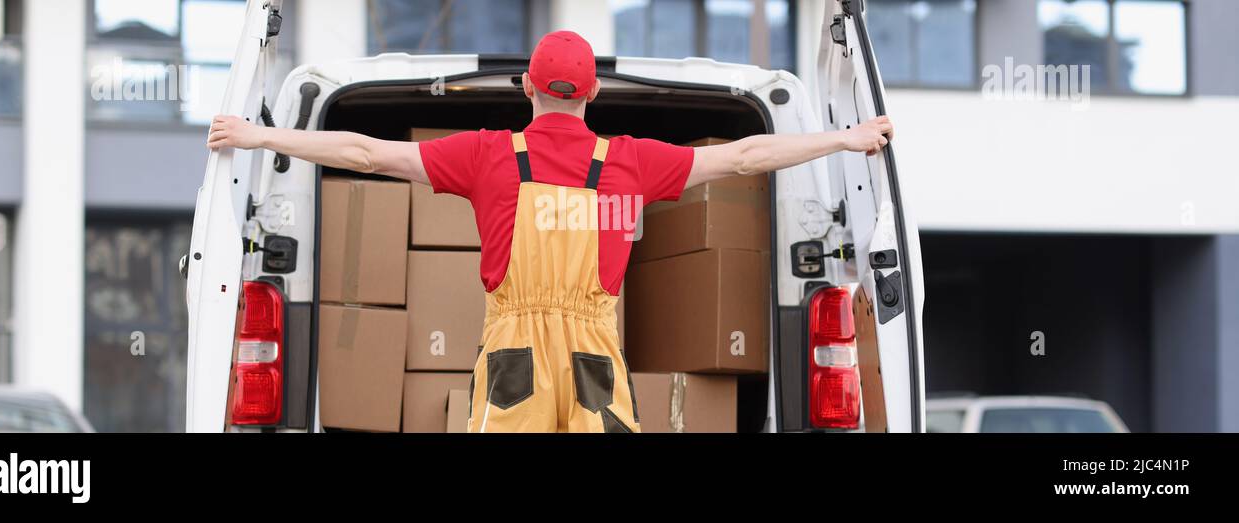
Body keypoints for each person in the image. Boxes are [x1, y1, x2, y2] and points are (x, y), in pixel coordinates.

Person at [207, 30, 893, 433]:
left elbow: (364, 154)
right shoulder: (630, 160)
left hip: (513, 357)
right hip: (596, 354)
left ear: (526, 88)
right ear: (592, 94)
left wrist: (258, 132)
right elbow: (744, 157)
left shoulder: (486, 155)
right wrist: (843, 138)